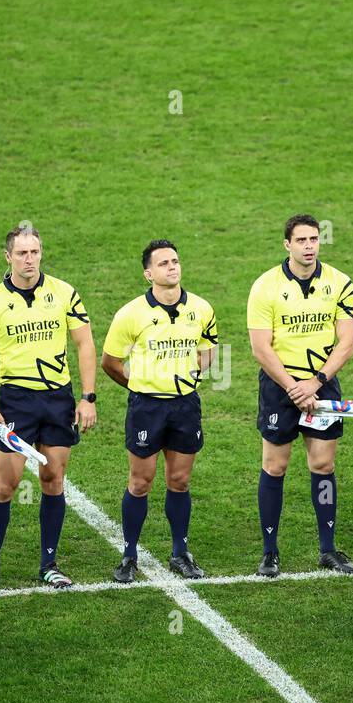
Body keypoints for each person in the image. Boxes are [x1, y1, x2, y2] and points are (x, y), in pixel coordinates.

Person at [0, 224, 98, 592]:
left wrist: (87, 397)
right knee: (6, 485)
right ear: (8, 256)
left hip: (58, 400)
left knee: (53, 480)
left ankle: (49, 564)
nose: (30, 259)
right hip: (17, 403)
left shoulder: (64, 293)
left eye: (35, 252)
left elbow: (85, 345)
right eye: (22, 253)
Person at [246, 214, 353, 578]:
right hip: (280, 389)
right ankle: (269, 552)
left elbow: (348, 342)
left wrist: (316, 382)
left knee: (323, 465)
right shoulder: (265, 286)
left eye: (314, 240)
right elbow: (260, 347)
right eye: (302, 241)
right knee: (274, 466)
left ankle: (327, 549)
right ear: (287, 245)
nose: (309, 247)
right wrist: (294, 387)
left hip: (322, 385)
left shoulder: (340, 283)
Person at [101, 240, 219, 583]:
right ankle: (129, 555)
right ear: (148, 273)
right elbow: (110, 362)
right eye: (164, 263)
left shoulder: (202, 309)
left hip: (185, 405)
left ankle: (180, 552)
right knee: (140, 482)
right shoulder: (130, 314)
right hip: (146, 407)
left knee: (179, 481)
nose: (172, 267)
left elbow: (208, 350)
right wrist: (139, 385)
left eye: (175, 261)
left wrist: (193, 373)